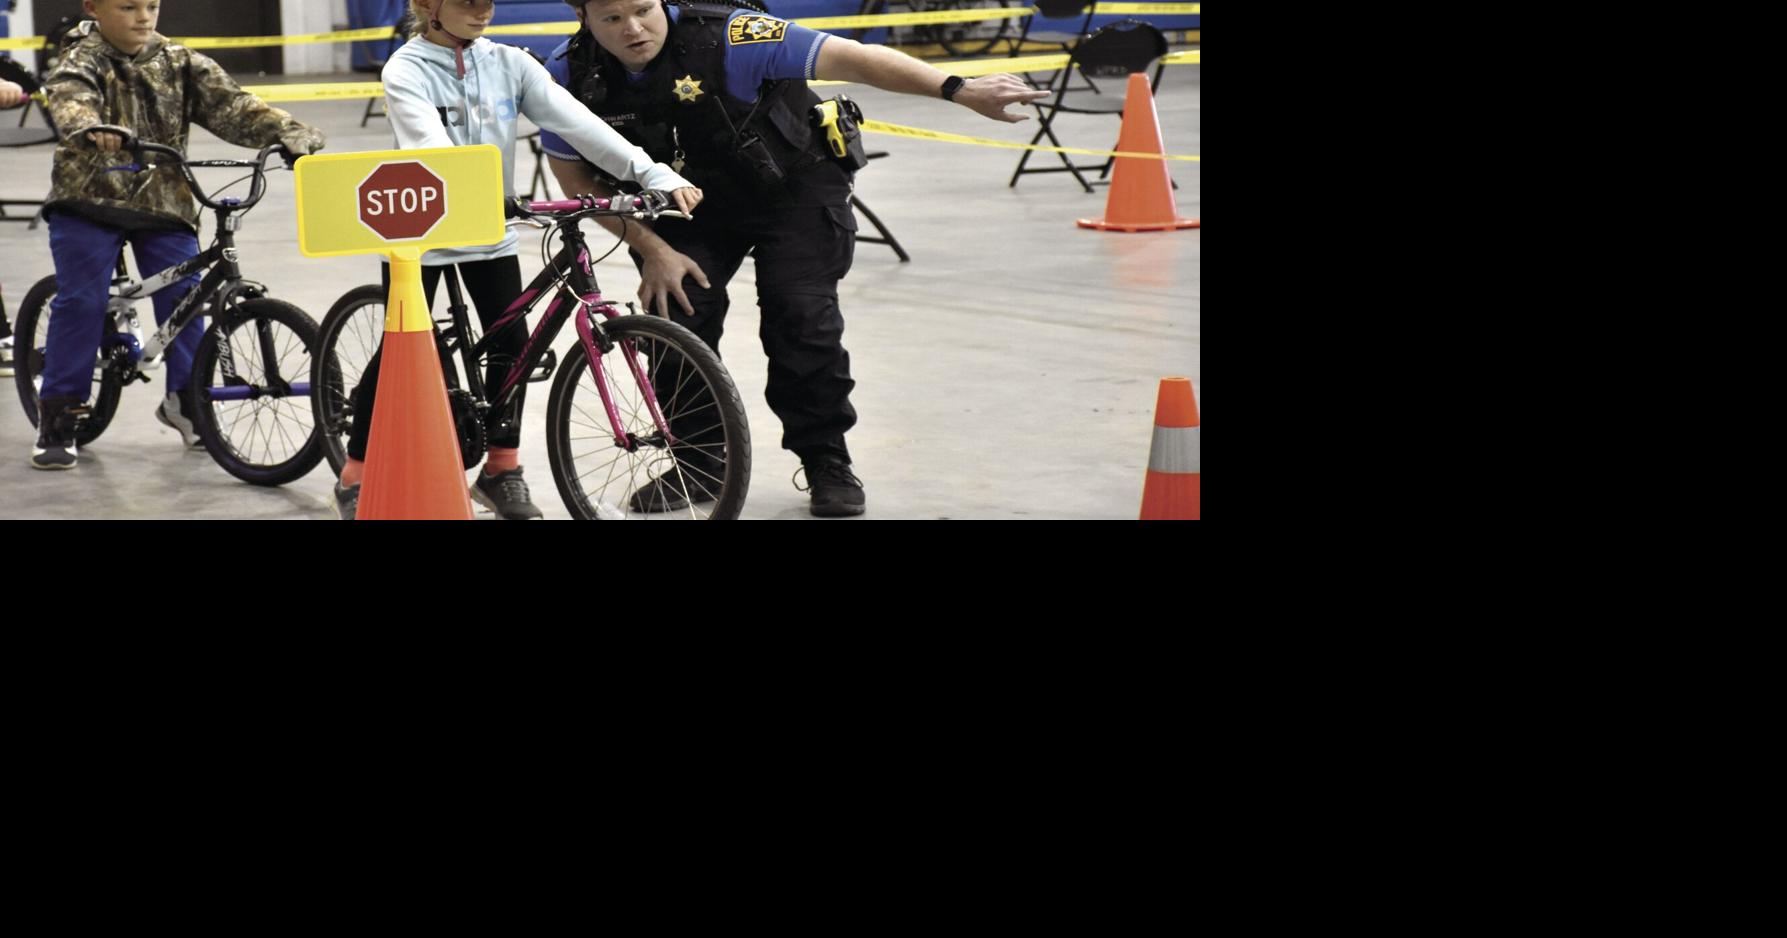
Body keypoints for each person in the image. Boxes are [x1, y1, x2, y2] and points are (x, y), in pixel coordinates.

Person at [543, 0, 1047, 517]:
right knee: (677, 306)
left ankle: (827, 459)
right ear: (583, 16)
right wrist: (653, 249)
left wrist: (957, 88)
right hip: (690, 203)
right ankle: (697, 460)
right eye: (611, 19)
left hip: (795, 186)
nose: (633, 29)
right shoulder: (569, 71)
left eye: (643, 9)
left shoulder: (734, 36)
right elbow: (577, 179)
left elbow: (854, 58)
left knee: (799, 313)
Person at [334, 0, 701, 520]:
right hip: (421, 234)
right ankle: (357, 470)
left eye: (487, 1)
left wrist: (652, 173)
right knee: (407, 352)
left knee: (512, 346)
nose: (482, 11)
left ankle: (501, 470)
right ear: (427, 7)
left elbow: (579, 124)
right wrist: (472, 190)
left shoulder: (510, 63)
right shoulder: (406, 69)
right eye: (467, 2)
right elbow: (430, 144)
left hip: (490, 231)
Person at [31, 0, 326, 470]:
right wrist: (91, 129)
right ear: (94, 8)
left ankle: (186, 400)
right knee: (83, 300)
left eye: (152, 5)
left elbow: (235, 106)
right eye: (128, 7)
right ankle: (60, 413)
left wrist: (289, 131)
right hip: (89, 201)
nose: (144, 17)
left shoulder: (180, 61)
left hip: (164, 203)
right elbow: (71, 101)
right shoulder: (78, 58)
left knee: (188, 298)